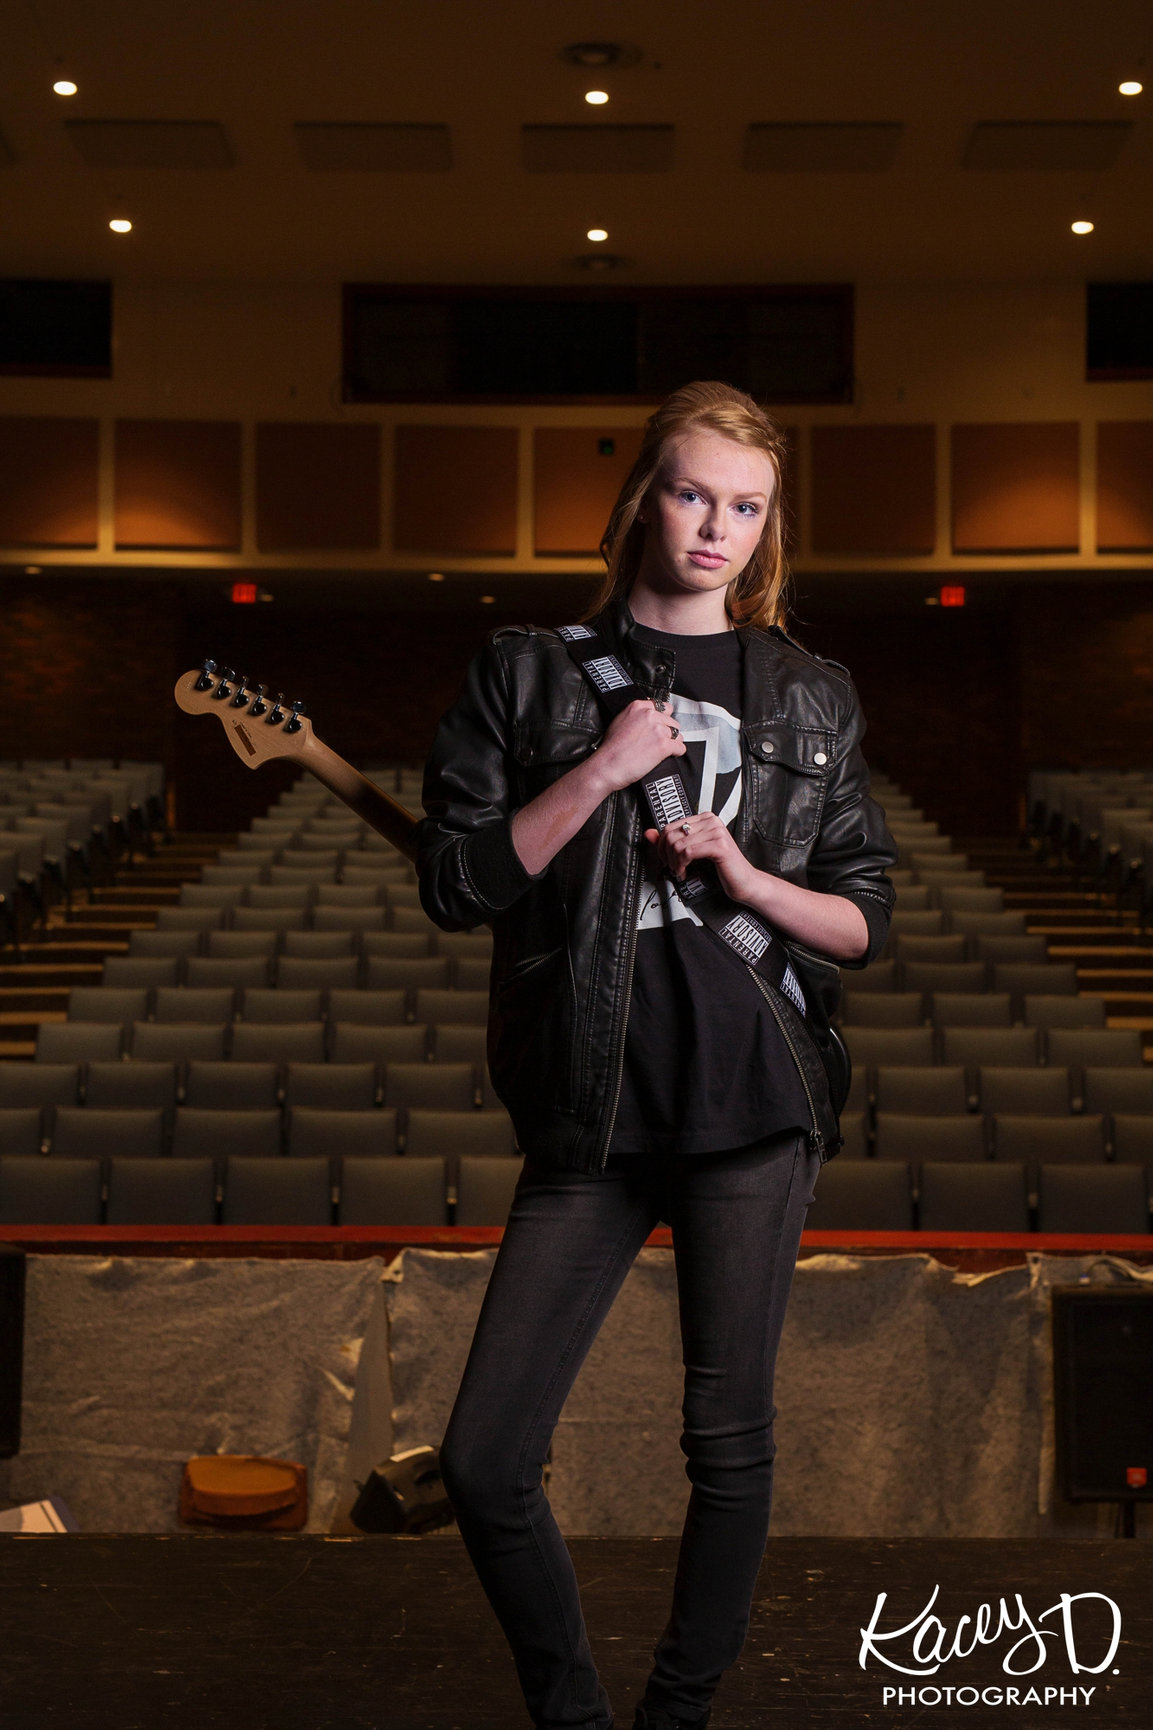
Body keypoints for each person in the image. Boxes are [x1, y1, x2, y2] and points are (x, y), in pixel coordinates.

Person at [415, 380, 897, 1730]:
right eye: (693, 493)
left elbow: (861, 923)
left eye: (746, 507)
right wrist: (597, 773)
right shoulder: (528, 670)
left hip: (754, 1106)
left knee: (726, 1443)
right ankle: (572, 1710)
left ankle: (674, 1713)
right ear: (644, 497)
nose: (716, 528)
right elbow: (455, 883)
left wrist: (741, 869)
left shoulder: (809, 692)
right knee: (484, 1457)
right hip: (593, 1115)